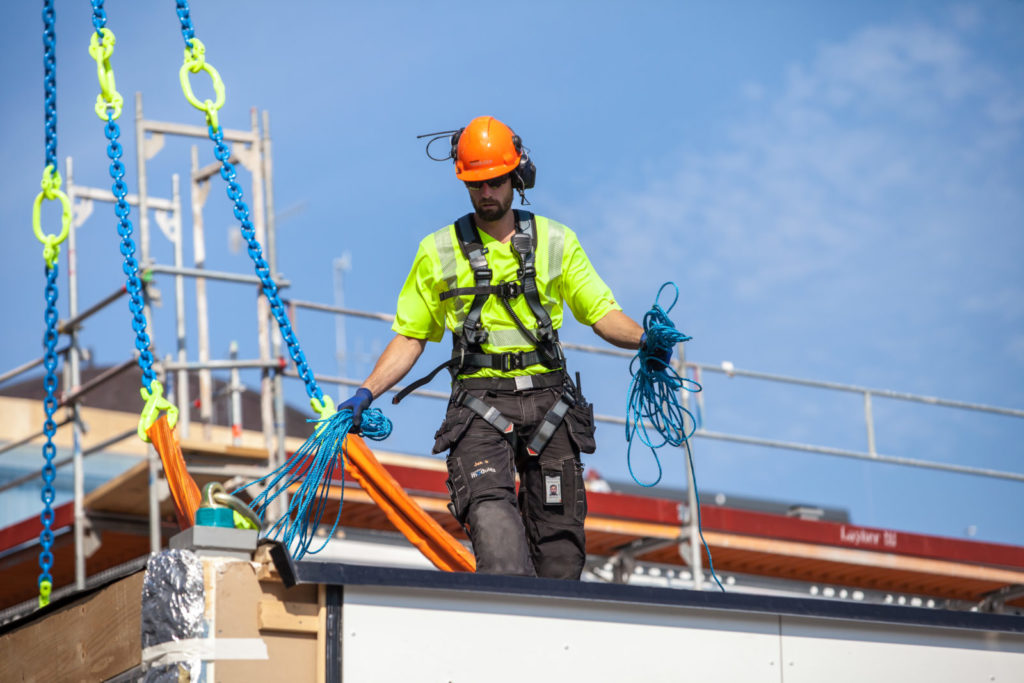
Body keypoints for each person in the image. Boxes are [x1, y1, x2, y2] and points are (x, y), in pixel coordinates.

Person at [340, 115, 666, 580]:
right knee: (499, 546)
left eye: (494, 182)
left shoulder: (557, 241)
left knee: (560, 557)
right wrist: (365, 392)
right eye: (476, 185)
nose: (486, 193)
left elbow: (601, 315)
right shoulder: (438, 251)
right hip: (479, 406)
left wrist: (645, 340)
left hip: (550, 404)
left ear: (517, 176)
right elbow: (412, 335)